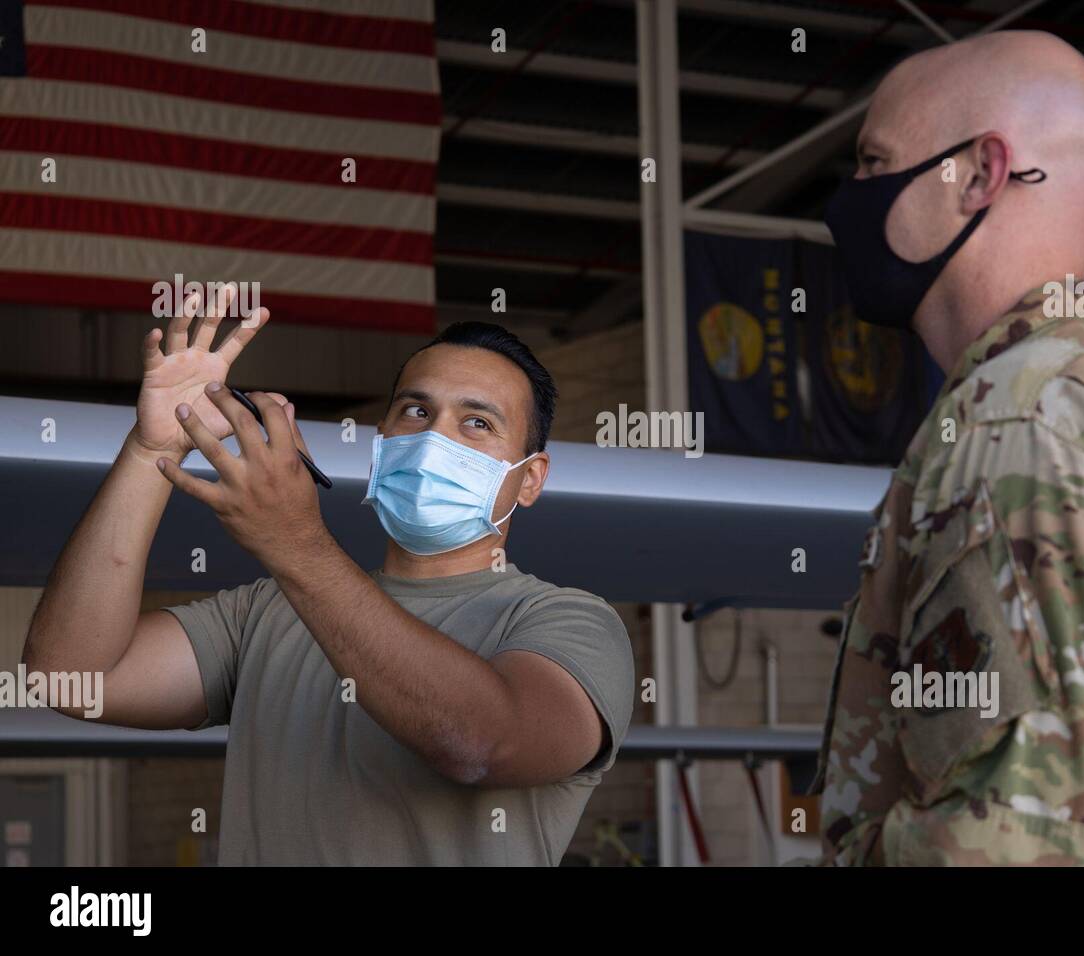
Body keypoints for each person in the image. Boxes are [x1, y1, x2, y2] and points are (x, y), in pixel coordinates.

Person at [809, 30, 1084, 865]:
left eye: (875, 164)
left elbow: (1018, 834)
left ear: (981, 173)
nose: (853, 197)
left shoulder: (1020, 420)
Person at [23, 288, 635, 865]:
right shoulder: (265, 613)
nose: (432, 438)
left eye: (477, 423)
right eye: (416, 410)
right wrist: (148, 448)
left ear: (531, 478)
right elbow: (72, 679)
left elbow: (479, 744)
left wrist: (295, 544)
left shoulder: (569, 624)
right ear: (382, 443)